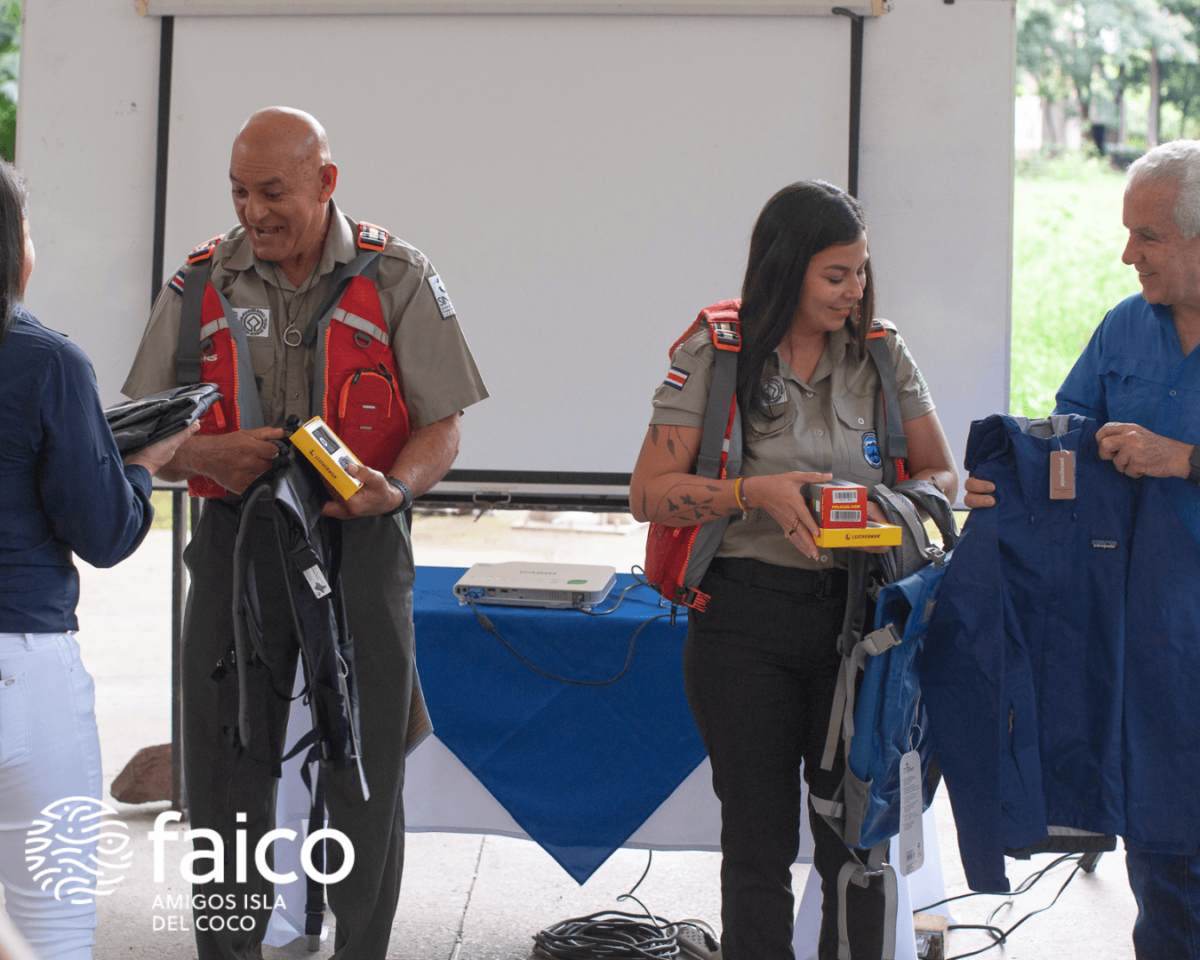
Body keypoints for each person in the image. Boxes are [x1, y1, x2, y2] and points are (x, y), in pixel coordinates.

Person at [122, 107, 487, 959]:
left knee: (364, 765)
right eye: (240, 193)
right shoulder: (198, 285)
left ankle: (361, 946)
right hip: (233, 542)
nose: (254, 212)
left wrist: (391, 488)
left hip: (357, 540)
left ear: (326, 183)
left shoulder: (397, 276)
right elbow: (141, 437)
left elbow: (445, 428)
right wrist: (209, 451)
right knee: (222, 765)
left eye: (273, 192)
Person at [629, 180, 958, 960]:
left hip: (861, 628)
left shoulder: (881, 351)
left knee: (856, 844)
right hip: (745, 622)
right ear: (786, 269)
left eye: (861, 271)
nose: (854, 290)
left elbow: (943, 477)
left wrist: (888, 508)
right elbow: (649, 494)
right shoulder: (718, 351)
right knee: (757, 846)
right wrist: (754, 493)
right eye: (834, 274)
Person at [965, 139, 1200, 960]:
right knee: (1163, 851)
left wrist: (1187, 459)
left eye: (1150, 237)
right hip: (1148, 646)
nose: (1127, 254)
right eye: (1129, 234)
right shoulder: (1124, 330)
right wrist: (1007, 479)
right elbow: (1062, 444)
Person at [0, 160, 195, 960]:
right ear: (14, 247)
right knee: (50, 928)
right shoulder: (47, 362)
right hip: (24, 672)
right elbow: (109, 535)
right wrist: (144, 464)